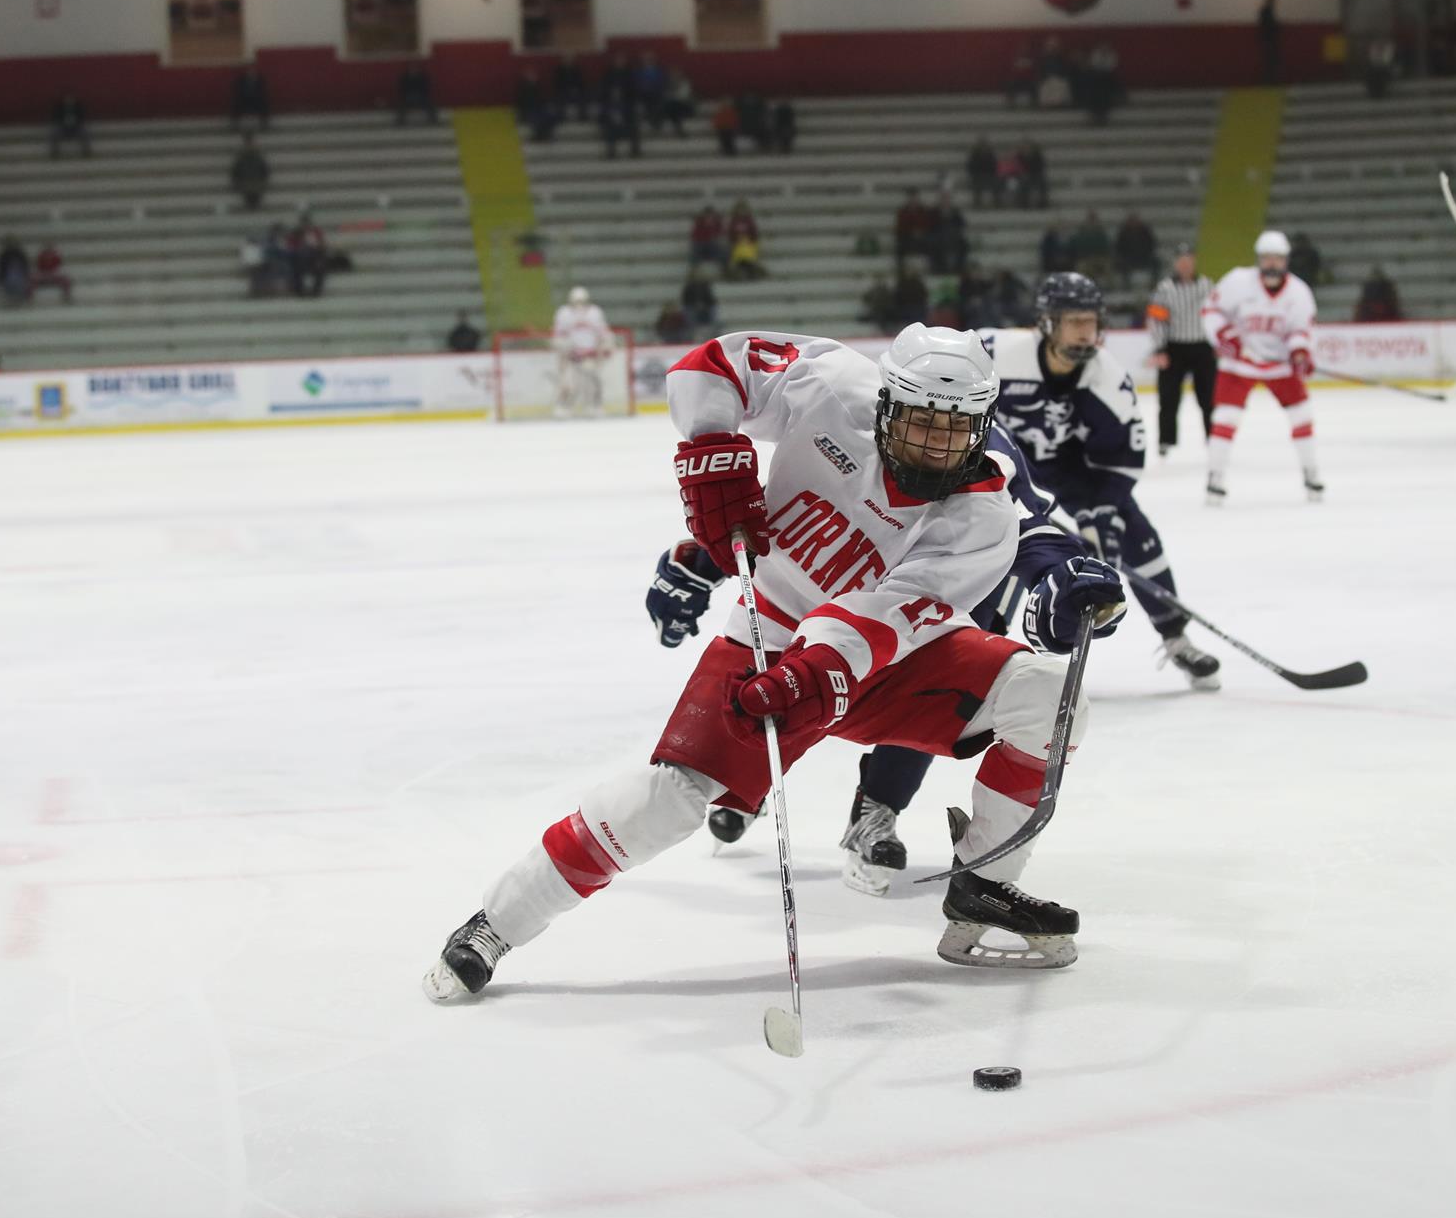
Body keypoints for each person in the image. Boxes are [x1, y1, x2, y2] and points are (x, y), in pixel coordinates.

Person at [423, 325, 1104, 1004]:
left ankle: (984, 881)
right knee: (668, 799)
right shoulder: (835, 386)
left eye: (956, 430)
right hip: (765, 637)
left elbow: (890, 614)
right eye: (922, 422)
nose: (936, 444)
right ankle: (497, 922)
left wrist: (818, 671)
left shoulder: (982, 518)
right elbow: (712, 362)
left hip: (882, 661)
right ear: (887, 404)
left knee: (1049, 694)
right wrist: (711, 445)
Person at [648, 415, 1127, 890]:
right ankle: (749, 778)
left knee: (941, 669)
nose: (941, 435)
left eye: (958, 417)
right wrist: (704, 559)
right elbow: (800, 510)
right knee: (766, 708)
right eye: (929, 416)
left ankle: (877, 807)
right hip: (808, 606)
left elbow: (1026, 526)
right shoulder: (863, 415)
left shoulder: (987, 450)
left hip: (906, 614)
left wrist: (1065, 574)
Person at [987, 272, 1222, 691]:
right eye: (1073, 321)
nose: (1085, 332)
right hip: (1007, 473)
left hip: (1070, 477)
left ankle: (1176, 637)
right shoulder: (997, 353)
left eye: (1090, 322)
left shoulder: (1107, 378)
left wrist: (1104, 513)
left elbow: (1124, 459)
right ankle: (985, 650)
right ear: (1047, 323)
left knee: (1136, 533)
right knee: (1008, 547)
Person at [1200, 230, 1322, 505]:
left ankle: (1311, 473)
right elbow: (1211, 310)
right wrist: (1224, 336)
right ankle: (1215, 477)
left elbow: (1302, 329)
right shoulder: (1237, 282)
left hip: (1278, 366)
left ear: (1286, 260)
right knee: (1225, 418)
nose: (1272, 264)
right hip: (1240, 363)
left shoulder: (1299, 293)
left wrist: (1300, 352)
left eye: (1277, 258)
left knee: (1302, 415)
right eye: (1267, 258)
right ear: (1258, 259)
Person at [1145, 243, 1216, 455]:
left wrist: (1217, 343)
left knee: (1209, 397)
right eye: (1181, 259)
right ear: (1176, 262)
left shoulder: (1207, 285)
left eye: (1189, 259)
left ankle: (1214, 438)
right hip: (1173, 348)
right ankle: (1166, 440)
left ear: (1194, 261)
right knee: (1168, 398)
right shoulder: (1165, 288)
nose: (1185, 263)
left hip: (1202, 347)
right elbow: (1156, 320)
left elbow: (1217, 315)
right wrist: (1159, 348)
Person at [550, 286, 613, 417]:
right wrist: (563, 347)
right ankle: (564, 406)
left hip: (590, 355)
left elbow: (603, 333)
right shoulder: (564, 313)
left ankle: (594, 406)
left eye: (582, 301)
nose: (579, 305)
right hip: (570, 356)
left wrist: (606, 344)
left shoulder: (595, 312)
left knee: (593, 382)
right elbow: (557, 335)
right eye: (576, 302)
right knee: (569, 384)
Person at [1114, 212, 1158, 290]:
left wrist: (1147, 254)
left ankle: (1154, 284)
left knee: (1156, 262)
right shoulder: (1123, 233)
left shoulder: (1145, 232)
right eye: (1132, 221)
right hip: (1128, 259)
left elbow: (1152, 245)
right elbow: (1119, 248)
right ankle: (1126, 287)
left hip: (1144, 257)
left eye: (1135, 221)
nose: (1134, 223)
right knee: (1121, 265)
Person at [894, 190, 934, 269]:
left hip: (922, 237)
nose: (913, 201)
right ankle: (901, 270)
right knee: (900, 248)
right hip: (907, 237)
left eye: (914, 198)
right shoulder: (903, 211)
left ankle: (932, 268)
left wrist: (921, 232)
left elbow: (928, 225)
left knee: (932, 244)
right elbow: (900, 227)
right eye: (911, 199)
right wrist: (911, 232)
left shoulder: (923, 211)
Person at [230, 133, 269, 210]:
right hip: (249, 182)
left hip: (253, 181)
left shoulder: (256, 157)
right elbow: (235, 171)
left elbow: (264, 170)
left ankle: (253, 203)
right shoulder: (243, 158)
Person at [1068, 211, 1110, 282]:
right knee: (1081, 267)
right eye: (1090, 219)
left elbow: (1105, 247)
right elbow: (1078, 246)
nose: (1092, 222)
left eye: (1093, 219)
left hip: (1099, 258)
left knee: (1107, 266)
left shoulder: (1101, 233)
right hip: (1085, 258)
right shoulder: (1082, 233)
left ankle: (1109, 287)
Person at [48, 92, 91, 160]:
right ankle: (54, 152)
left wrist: (76, 122)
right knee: (54, 133)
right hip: (63, 127)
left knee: (84, 133)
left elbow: (82, 118)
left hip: (76, 127)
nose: (69, 100)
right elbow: (55, 118)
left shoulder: (78, 107)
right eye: (67, 99)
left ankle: (86, 152)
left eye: (71, 99)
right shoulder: (59, 107)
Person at [230, 67, 270, 131]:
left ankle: (264, 123)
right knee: (236, 102)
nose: (251, 73)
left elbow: (261, 91)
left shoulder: (259, 80)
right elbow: (238, 90)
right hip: (244, 99)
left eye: (252, 72)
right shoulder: (242, 80)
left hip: (256, 99)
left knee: (263, 102)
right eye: (249, 72)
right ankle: (235, 124)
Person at [681, 267, 719, 333]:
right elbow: (685, 299)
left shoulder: (705, 285)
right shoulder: (689, 286)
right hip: (692, 306)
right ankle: (692, 331)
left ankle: (713, 330)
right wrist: (695, 304)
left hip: (706, 306)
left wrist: (704, 304)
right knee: (689, 312)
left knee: (713, 309)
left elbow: (710, 298)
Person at [0, 237, 31, 304]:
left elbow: (25, 265)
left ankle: (19, 298)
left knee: (20, 282)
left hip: (19, 275)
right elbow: (1, 268)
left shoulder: (20, 253)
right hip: (7, 275)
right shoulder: (4, 254)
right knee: (11, 281)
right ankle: (12, 298)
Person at [552, 55, 588, 121]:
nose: (568, 61)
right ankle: (560, 119)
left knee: (582, 99)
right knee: (560, 101)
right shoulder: (559, 71)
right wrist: (566, 89)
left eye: (570, 59)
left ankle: (582, 118)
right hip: (562, 92)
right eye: (566, 59)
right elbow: (557, 84)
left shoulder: (576, 70)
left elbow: (581, 83)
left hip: (575, 92)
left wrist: (576, 89)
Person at [966, 137, 999, 208]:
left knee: (996, 182)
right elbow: (970, 167)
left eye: (985, 146)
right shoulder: (974, 156)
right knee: (977, 182)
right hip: (978, 176)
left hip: (989, 176)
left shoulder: (991, 156)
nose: (983, 148)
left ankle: (997, 202)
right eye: (982, 146)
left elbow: (994, 167)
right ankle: (977, 203)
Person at [1017, 139, 1049, 209]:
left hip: (1035, 176)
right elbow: (1017, 168)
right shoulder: (1019, 157)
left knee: (1042, 182)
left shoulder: (1037, 156)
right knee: (1021, 183)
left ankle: (1043, 202)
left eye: (1028, 147)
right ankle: (1023, 203)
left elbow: (1040, 168)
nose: (1026, 149)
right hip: (1024, 177)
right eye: (1025, 147)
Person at [662, 71, 695, 137]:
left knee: (674, 107)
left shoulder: (685, 83)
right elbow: (666, 95)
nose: (675, 77)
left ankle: (678, 129)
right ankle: (679, 129)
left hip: (684, 105)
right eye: (673, 75)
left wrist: (673, 95)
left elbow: (684, 96)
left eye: (676, 75)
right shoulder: (668, 84)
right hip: (673, 106)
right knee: (672, 108)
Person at [1258, 0, 1282, 84]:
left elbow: (1264, 24)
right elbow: (1269, 25)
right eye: (1273, 1)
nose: (1274, 3)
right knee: (1271, 60)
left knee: (1270, 60)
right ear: (1270, 1)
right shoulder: (1267, 11)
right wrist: (1276, 25)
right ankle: (1269, 80)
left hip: (1267, 38)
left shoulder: (1266, 11)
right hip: (1269, 39)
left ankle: (1269, 79)